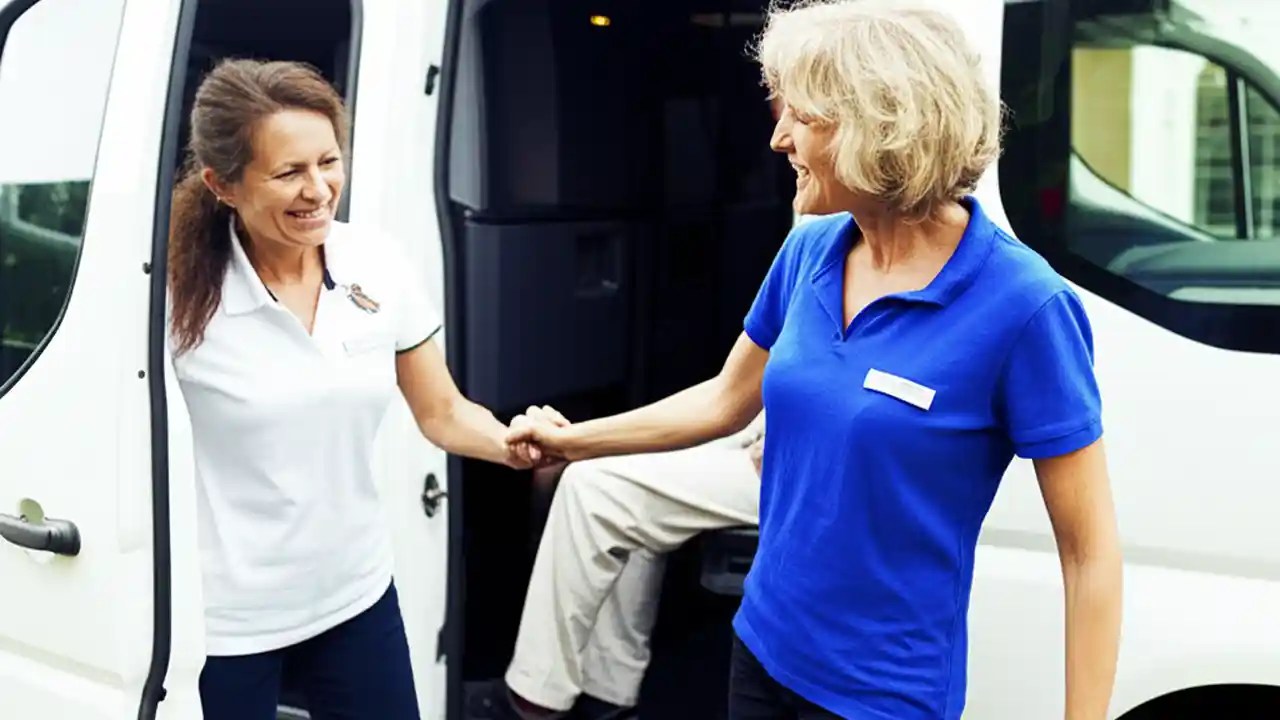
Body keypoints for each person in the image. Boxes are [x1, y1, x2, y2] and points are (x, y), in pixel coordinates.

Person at [506, 3, 1123, 719]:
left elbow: (1089, 554)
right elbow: (724, 401)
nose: (778, 138)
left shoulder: (1025, 305)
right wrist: (573, 442)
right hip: (763, 652)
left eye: (802, 117)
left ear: (881, 127)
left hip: (883, 697)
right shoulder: (809, 251)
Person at [167, 58, 546, 720]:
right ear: (222, 185)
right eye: (288, 172)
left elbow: (443, 411)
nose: (318, 189)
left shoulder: (375, 262)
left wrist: (512, 443)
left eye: (328, 162)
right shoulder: (174, 298)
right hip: (226, 621)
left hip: (355, 595)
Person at [466, 414, 765, 720]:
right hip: (770, 423)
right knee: (627, 464)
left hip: (789, 462)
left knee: (592, 488)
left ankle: (532, 700)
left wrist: (569, 441)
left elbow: (722, 404)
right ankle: (607, 698)